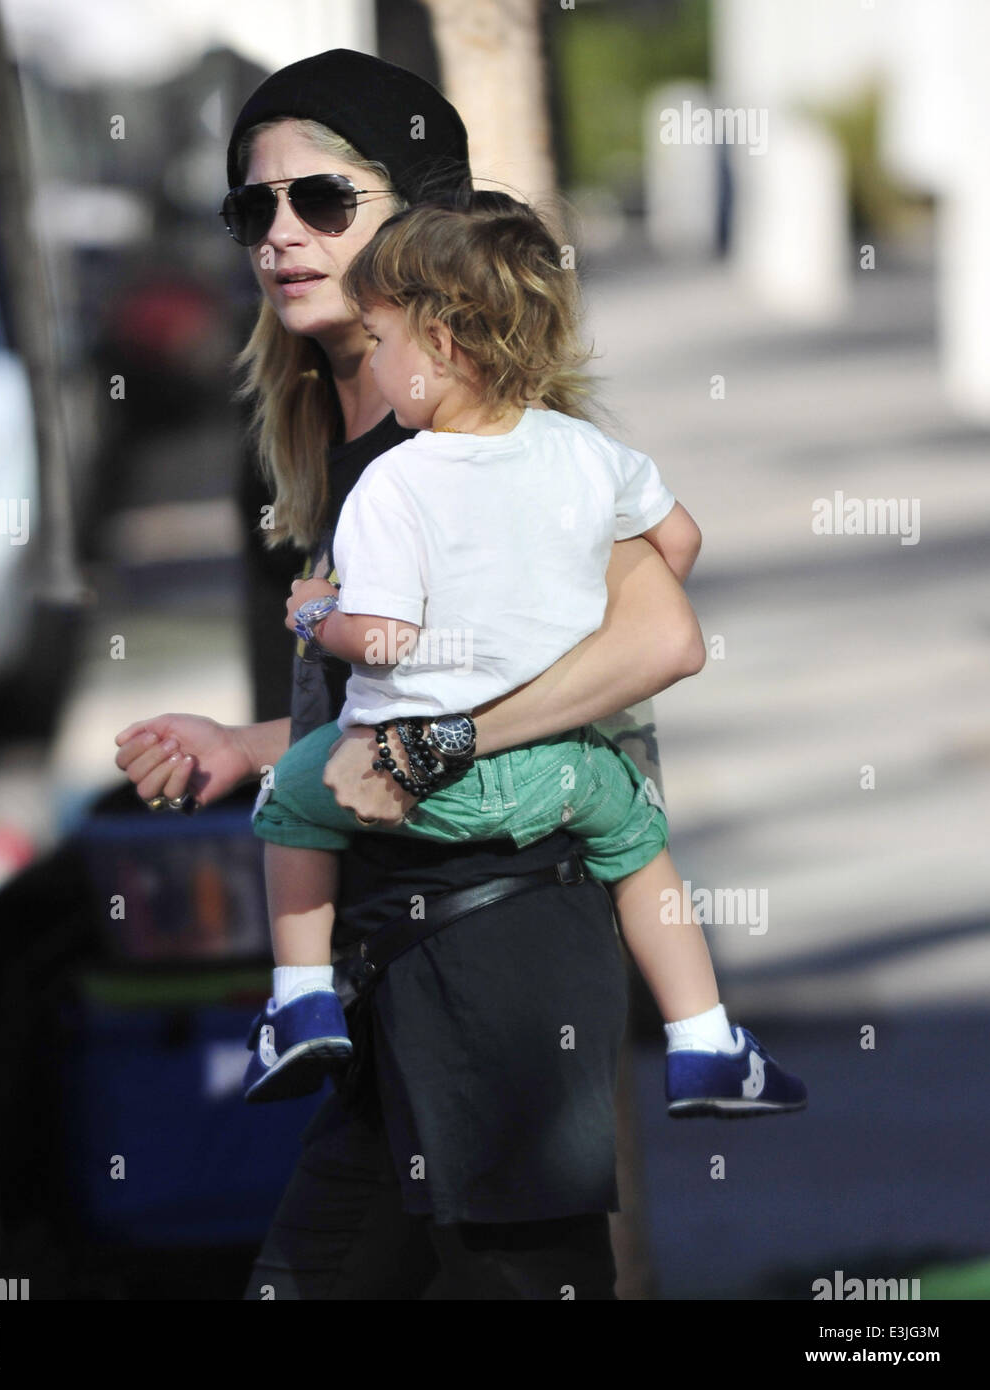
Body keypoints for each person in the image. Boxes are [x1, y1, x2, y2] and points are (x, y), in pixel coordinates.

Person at [115, 49, 707, 1299]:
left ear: (422, 217)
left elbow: (657, 638)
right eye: (252, 208)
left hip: (502, 942)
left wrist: (447, 747)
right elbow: (406, 699)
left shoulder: (497, 437)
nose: (279, 235)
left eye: (321, 200)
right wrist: (253, 741)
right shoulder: (324, 431)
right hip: (398, 962)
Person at [243, 193, 806, 1123]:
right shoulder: (588, 453)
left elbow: (384, 635)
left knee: (289, 805)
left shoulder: (392, 484)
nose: (374, 364)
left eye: (382, 340)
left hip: (409, 779)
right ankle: (705, 1040)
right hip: (556, 775)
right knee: (639, 846)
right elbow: (680, 543)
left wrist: (314, 615)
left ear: (444, 346)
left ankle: (299, 1001)